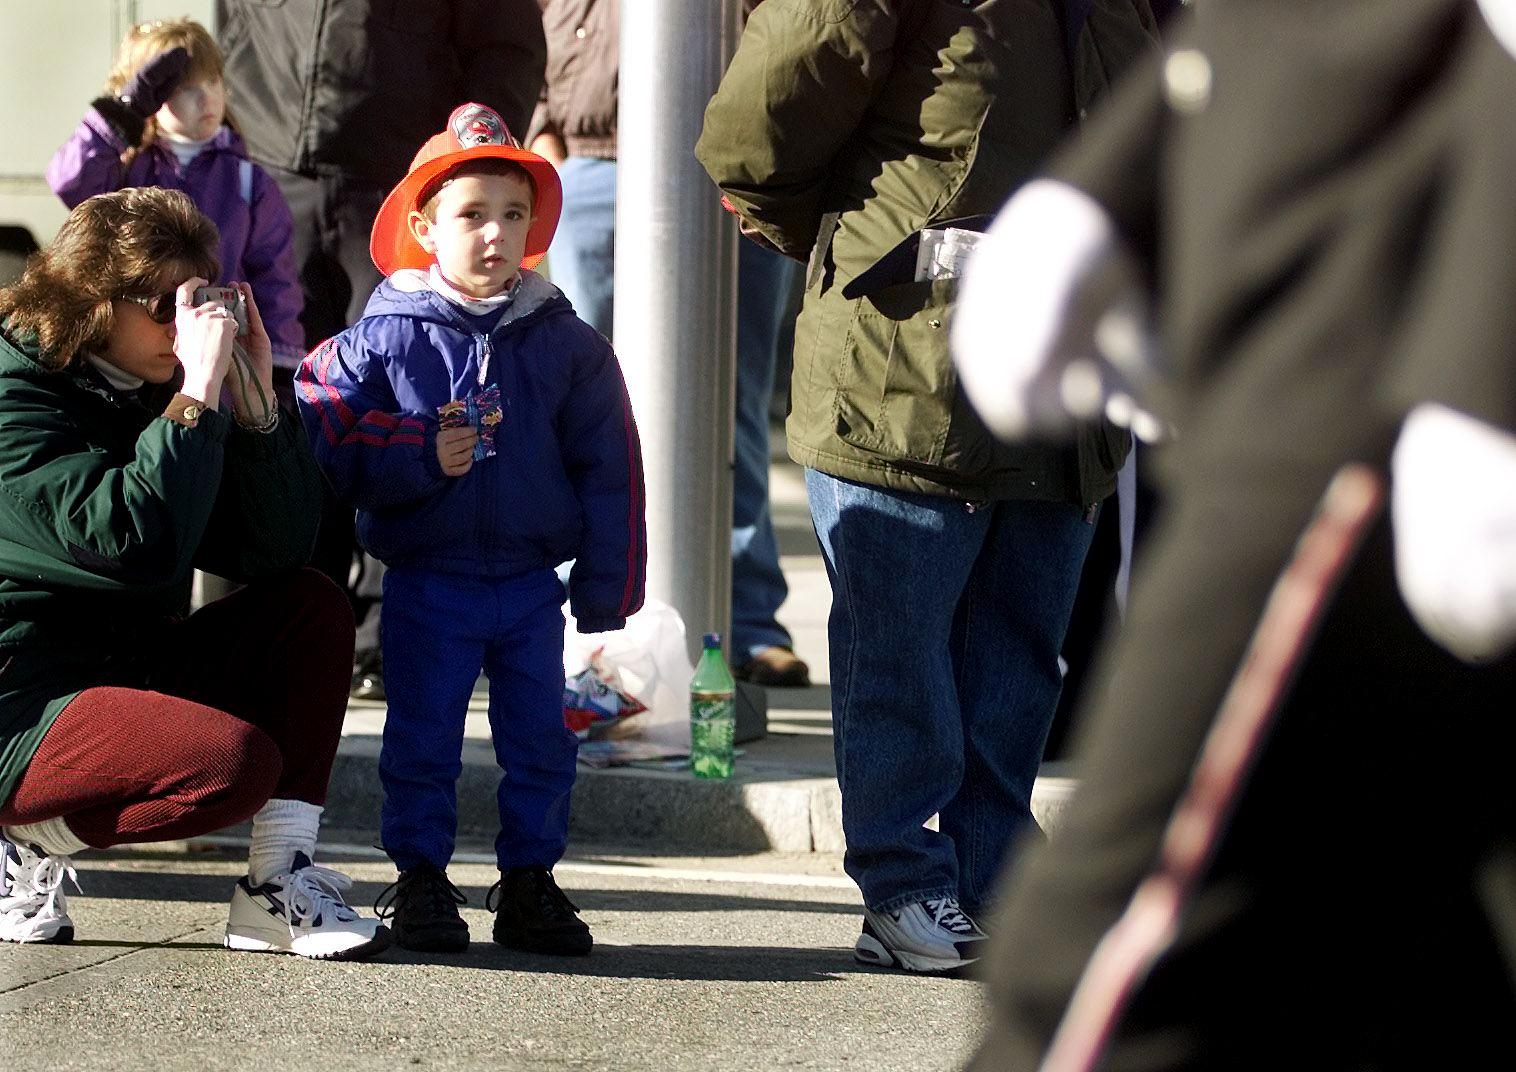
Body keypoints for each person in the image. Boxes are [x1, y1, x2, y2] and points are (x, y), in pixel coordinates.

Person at [950, 1, 1516, 1066]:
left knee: (1123, 943)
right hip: (1307, 376)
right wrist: (1100, 197)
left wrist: (1481, 359)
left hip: (1365, 414)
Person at [696, 0, 1158, 975]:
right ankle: (904, 885)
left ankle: (996, 883)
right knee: (900, 650)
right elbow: (752, 134)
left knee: (1020, 656)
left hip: (1064, 379)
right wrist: (852, 248)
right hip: (900, 362)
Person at [0, 186, 388, 961]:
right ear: (91, 299)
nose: (186, 330)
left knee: (311, 606)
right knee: (229, 768)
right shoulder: (13, 398)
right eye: (164, 306)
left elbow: (276, 553)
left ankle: (277, 888)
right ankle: (20, 839)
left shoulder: (151, 384)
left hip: (125, 667)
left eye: (198, 302)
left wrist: (253, 410)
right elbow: (129, 544)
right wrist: (192, 402)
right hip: (24, 701)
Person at [296, 104, 646, 956]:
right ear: (423, 226)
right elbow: (327, 438)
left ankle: (530, 882)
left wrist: (607, 587)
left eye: (514, 215)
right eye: (472, 214)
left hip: (530, 587)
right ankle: (420, 880)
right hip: (427, 582)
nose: (496, 234)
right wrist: (418, 449)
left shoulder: (568, 343)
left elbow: (612, 469)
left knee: (540, 744)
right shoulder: (380, 338)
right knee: (421, 739)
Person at [217, 0, 548, 701]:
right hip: (278, 171)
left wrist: (468, 177)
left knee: (409, 403)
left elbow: (506, 50)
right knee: (281, 408)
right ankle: (284, 622)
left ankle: (379, 634)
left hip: (404, 185)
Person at [530, 0, 810, 685]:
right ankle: (582, 625)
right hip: (592, 161)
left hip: (734, 167)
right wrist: (545, 139)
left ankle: (745, 624)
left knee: (732, 400)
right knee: (584, 407)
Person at [45, 18, 304, 372]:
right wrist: (125, 112)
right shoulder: (126, 169)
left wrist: (277, 366)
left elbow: (276, 282)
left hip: (220, 362)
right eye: (185, 88)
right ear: (152, 97)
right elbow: (69, 183)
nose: (207, 97)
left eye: (213, 81)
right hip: (135, 361)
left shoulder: (247, 181)